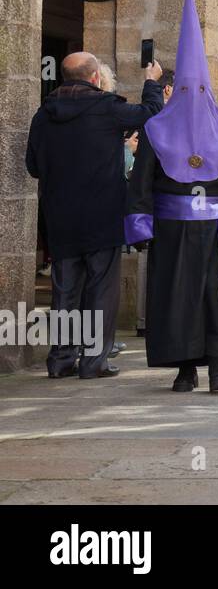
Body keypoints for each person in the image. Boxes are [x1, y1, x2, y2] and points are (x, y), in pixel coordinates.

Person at [126, 0, 218, 393]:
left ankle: (214, 367)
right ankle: (188, 368)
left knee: (208, 297)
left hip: (209, 232)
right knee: (182, 298)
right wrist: (142, 227)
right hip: (182, 230)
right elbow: (142, 184)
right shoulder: (161, 129)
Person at [27, 51, 164, 379]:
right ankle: (93, 361)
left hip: (60, 217)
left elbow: (33, 166)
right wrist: (151, 81)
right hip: (102, 215)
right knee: (101, 289)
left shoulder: (44, 115)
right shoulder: (106, 107)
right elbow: (150, 114)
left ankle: (61, 360)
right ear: (95, 78)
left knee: (65, 290)